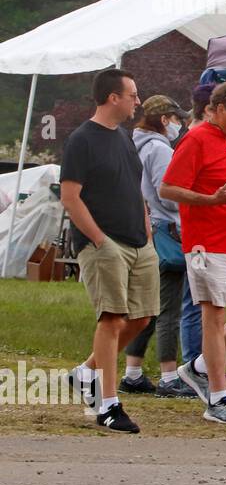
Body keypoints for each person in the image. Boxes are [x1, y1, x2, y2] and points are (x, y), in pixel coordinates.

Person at [161, 80, 226, 425]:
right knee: (214, 315)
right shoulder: (195, 139)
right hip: (207, 243)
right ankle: (218, 399)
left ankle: (200, 366)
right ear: (218, 109)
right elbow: (168, 188)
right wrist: (210, 200)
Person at [61, 69, 158, 433]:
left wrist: (146, 231)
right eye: (132, 95)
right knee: (112, 318)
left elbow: (135, 189)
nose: (138, 101)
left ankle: (85, 373)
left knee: (141, 318)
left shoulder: (124, 138)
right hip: (103, 244)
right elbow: (70, 197)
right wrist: (100, 240)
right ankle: (108, 403)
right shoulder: (82, 140)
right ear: (112, 97)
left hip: (138, 242)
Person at [121, 94, 197, 399]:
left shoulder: (133, 144)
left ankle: (133, 372)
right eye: (176, 119)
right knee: (168, 309)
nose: (179, 124)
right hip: (168, 231)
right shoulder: (160, 149)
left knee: (146, 308)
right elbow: (167, 193)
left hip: (145, 229)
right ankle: (168, 376)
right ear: (164, 120)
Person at [177, 82, 216, 365]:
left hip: (209, 232)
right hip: (196, 232)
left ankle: (204, 361)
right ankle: (194, 362)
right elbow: (171, 188)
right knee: (195, 301)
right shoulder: (192, 139)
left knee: (206, 302)